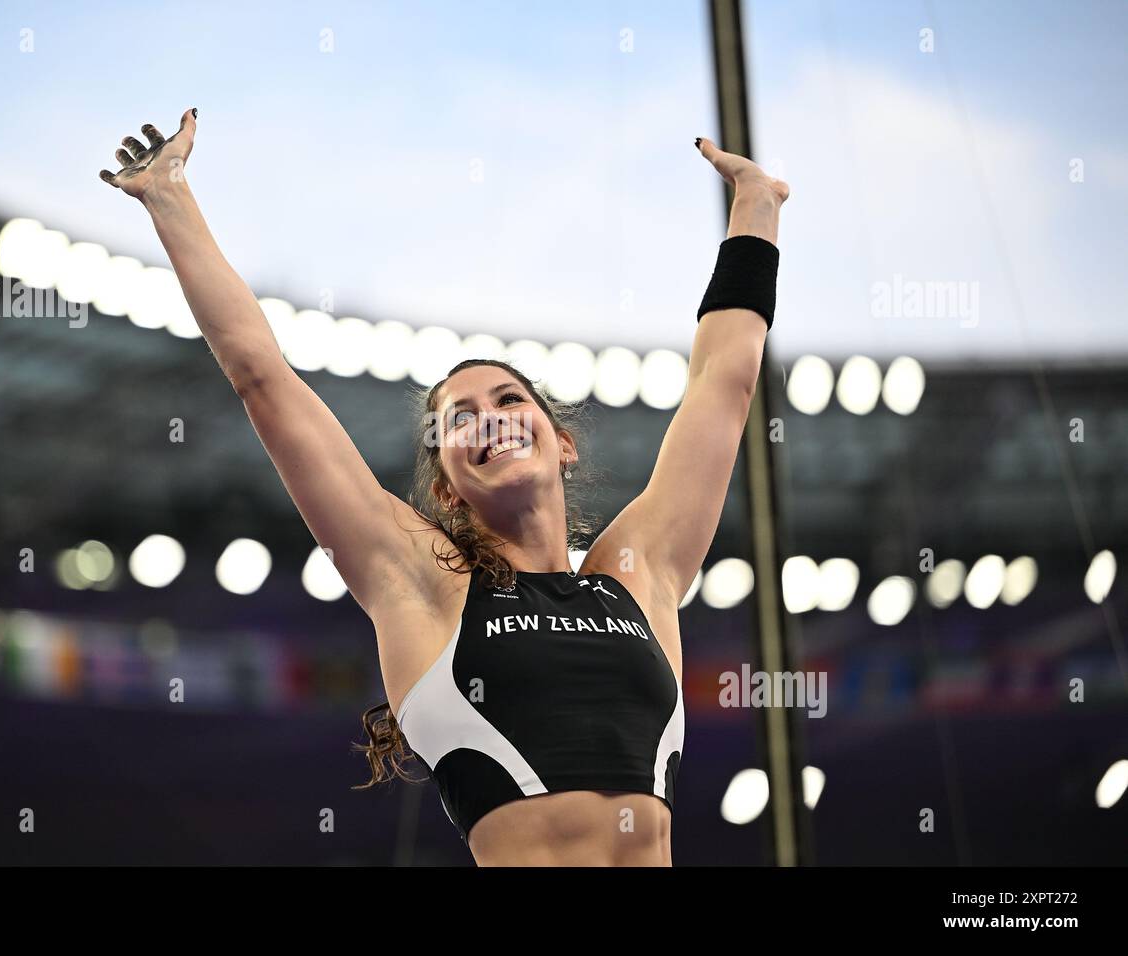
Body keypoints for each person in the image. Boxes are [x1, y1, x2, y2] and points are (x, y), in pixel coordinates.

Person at [100, 111, 788, 865]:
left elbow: (725, 383)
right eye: (459, 419)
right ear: (448, 488)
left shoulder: (639, 574)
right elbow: (262, 378)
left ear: (562, 443)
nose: (489, 420)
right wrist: (170, 197)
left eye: (508, 401)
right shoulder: (421, 584)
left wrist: (756, 205)